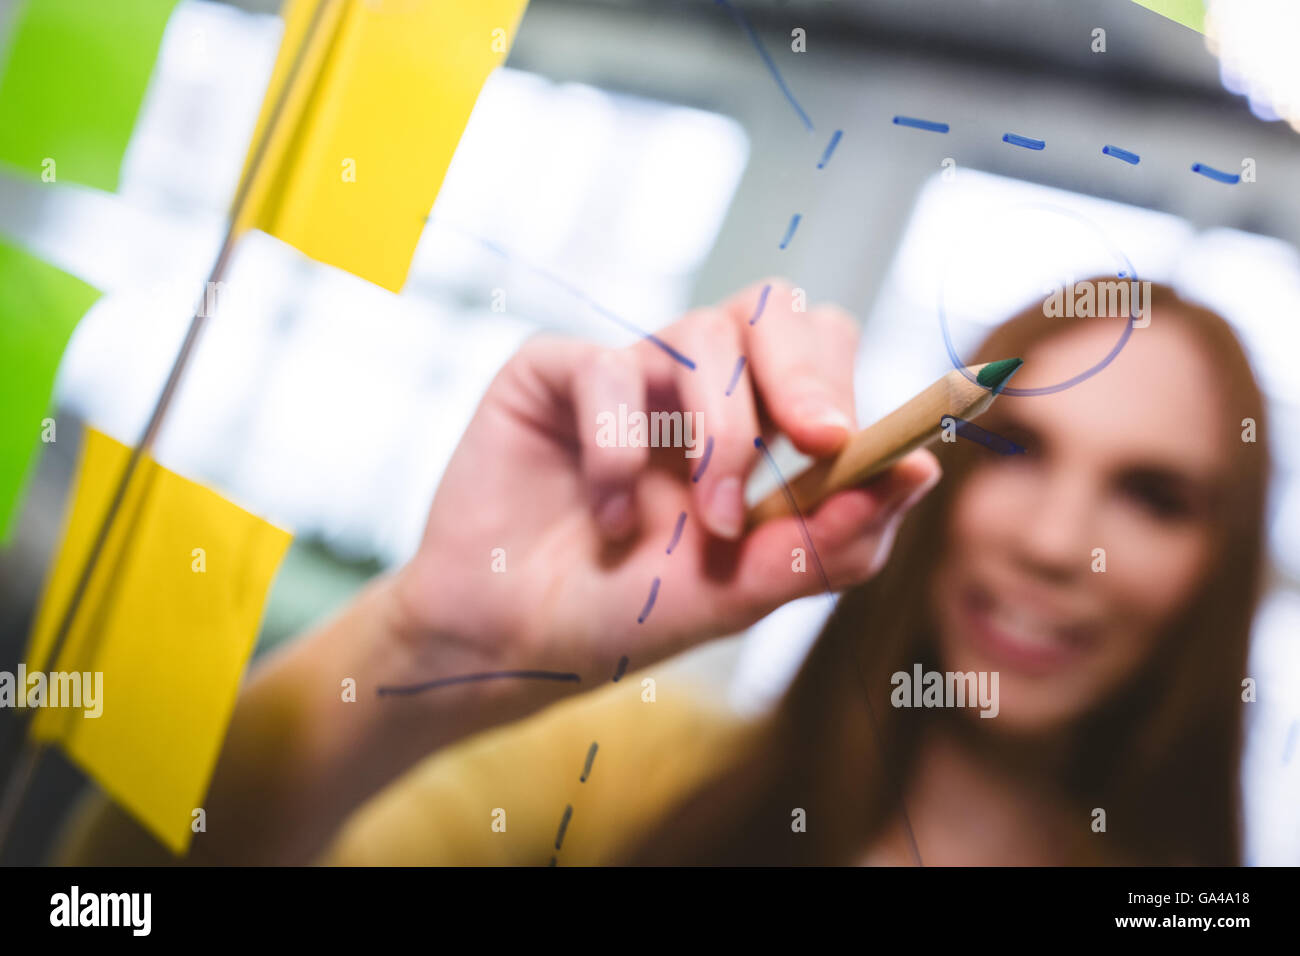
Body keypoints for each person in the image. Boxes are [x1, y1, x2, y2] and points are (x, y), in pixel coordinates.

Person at [56, 276, 1268, 866]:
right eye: (1017, 448)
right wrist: (428, 648)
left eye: (1152, 495)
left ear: (1222, 569)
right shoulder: (606, 777)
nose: (1059, 541)